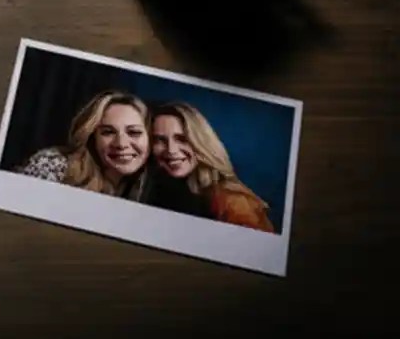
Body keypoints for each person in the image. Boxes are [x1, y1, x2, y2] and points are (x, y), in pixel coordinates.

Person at [146, 101, 276, 232]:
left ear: (200, 142)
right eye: (160, 140)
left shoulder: (232, 201)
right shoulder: (157, 189)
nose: (171, 150)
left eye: (182, 139)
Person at [16, 90, 150, 198]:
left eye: (134, 132)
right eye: (108, 132)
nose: (121, 143)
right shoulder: (55, 166)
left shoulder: (145, 188)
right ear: (92, 137)